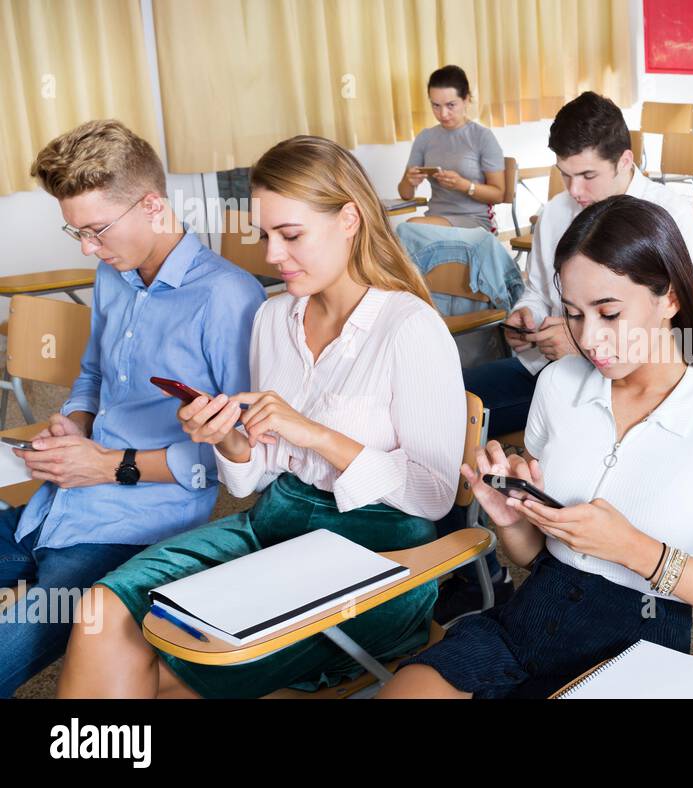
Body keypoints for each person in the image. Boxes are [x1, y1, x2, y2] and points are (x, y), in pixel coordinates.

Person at [57, 135, 466, 699]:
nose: (272, 255)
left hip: (380, 551)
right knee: (104, 608)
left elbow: (433, 495)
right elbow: (254, 476)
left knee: (165, 676)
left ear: (349, 219)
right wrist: (227, 440)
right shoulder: (275, 318)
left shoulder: (410, 328)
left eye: (290, 235)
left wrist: (315, 433)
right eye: (266, 235)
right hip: (274, 524)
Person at [377, 196, 693, 699]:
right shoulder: (559, 383)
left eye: (609, 313)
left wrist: (635, 550)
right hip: (525, 620)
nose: (590, 340)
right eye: (574, 316)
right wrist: (512, 519)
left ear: (669, 298)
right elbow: (535, 557)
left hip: (638, 646)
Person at [0, 120, 264, 698]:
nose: (88, 248)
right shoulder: (111, 273)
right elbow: (92, 375)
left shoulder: (229, 297)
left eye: (96, 231)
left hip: (131, 530)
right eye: (76, 233)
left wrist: (108, 465)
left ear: (152, 205)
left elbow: (236, 457)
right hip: (55, 504)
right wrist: (75, 422)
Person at [463, 91, 693, 439]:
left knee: (460, 420)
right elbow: (538, 291)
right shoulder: (556, 212)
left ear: (625, 161)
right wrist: (528, 315)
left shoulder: (671, 218)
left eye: (587, 175)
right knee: (443, 398)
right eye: (565, 175)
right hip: (549, 369)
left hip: (630, 383)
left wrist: (584, 343)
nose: (575, 190)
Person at [398, 65, 506, 231]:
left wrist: (463, 185)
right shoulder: (425, 138)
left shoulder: (482, 137)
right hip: (435, 220)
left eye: (450, 105)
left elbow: (498, 194)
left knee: (411, 228)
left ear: (466, 99)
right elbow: (405, 194)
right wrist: (408, 181)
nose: (443, 114)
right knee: (412, 231)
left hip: (474, 221)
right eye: (436, 106)